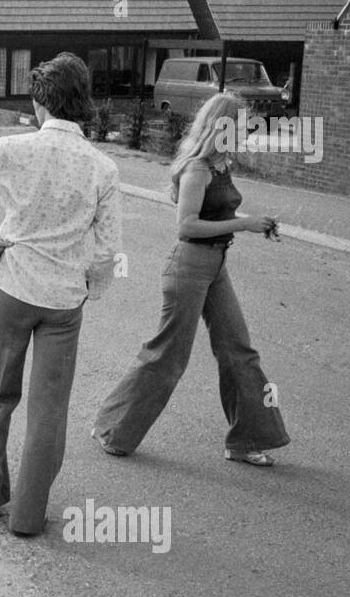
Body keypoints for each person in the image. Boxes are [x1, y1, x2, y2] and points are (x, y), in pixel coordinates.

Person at [0, 52, 122, 536]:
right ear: (82, 102)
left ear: (40, 102)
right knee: (49, 410)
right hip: (63, 299)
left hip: (12, 285)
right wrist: (90, 286)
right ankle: (28, 516)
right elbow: (107, 250)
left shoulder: (10, 149)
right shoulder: (102, 168)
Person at [91, 91, 289, 466]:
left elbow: (216, 214)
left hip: (215, 266)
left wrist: (255, 223)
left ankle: (246, 441)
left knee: (238, 351)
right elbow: (186, 226)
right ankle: (112, 429)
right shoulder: (198, 169)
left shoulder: (221, 165)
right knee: (169, 356)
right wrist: (243, 224)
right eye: (240, 126)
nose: (246, 132)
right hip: (189, 267)